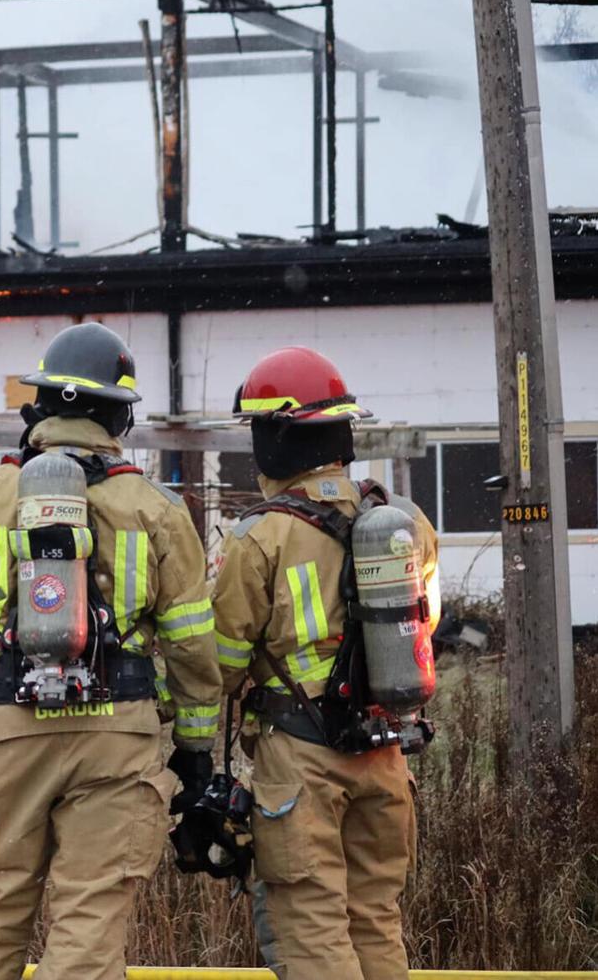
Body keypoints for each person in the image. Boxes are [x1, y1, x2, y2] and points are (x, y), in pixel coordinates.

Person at [0, 322, 223, 980]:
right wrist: (195, 752)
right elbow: (195, 653)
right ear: (118, 414)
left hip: (9, 729)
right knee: (88, 927)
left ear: (38, 409)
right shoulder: (157, 511)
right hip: (118, 737)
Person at [213, 346, 440, 980]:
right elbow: (424, 623)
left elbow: (222, 660)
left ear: (277, 437)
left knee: (310, 928)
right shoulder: (403, 523)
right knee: (375, 919)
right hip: (386, 747)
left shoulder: (260, 534)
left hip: (301, 755)